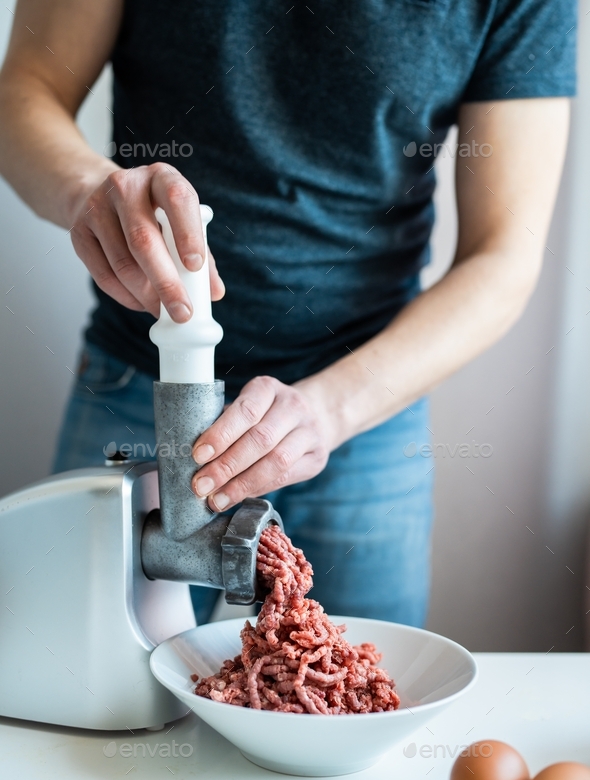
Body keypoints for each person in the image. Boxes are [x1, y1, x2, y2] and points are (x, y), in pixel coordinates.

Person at [0, 0, 575, 626]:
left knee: (351, 700)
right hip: (136, 386)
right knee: (89, 705)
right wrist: (89, 189)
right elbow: (24, 93)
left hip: (363, 412)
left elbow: (505, 259)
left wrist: (331, 410)